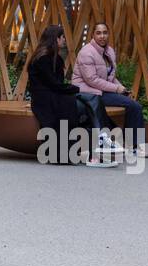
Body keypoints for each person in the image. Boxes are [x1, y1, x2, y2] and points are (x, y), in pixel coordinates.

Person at [26, 24, 120, 167]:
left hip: (56, 97)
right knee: (90, 104)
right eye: (62, 37)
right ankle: (99, 147)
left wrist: (74, 90)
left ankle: (99, 147)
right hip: (48, 101)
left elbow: (57, 86)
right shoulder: (44, 59)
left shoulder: (50, 57)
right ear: (56, 39)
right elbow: (54, 85)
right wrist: (76, 89)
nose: (64, 41)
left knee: (91, 102)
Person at [71, 22, 148, 158]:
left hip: (101, 90)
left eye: (105, 32)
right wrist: (116, 89)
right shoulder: (86, 52)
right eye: (98, 33)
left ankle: (131, 145)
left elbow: (110, 77)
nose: (102, 36)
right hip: (89, 92)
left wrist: (122, 89)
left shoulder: (109, 51)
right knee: (134, 106)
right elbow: (92, 80)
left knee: (132, 105)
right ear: (93, 35)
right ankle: (133, 147)